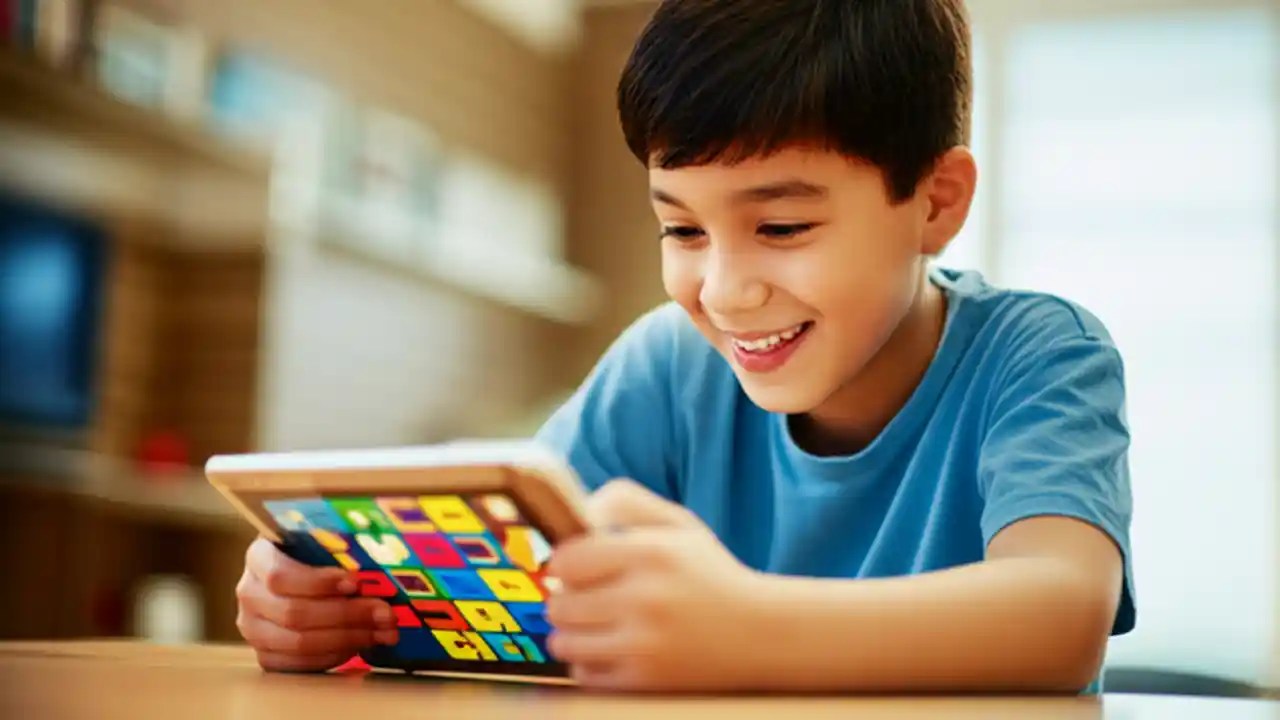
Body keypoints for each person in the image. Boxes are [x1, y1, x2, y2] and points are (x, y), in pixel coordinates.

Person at [234, 0, 1134, 694]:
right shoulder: (667, 366)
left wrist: (747, 628)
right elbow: (515, 575)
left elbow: (1063, 618)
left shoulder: (1038, 356)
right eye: (683, 231)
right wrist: (336, 603)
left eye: (781, 227)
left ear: (935, 203)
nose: (724, 290)